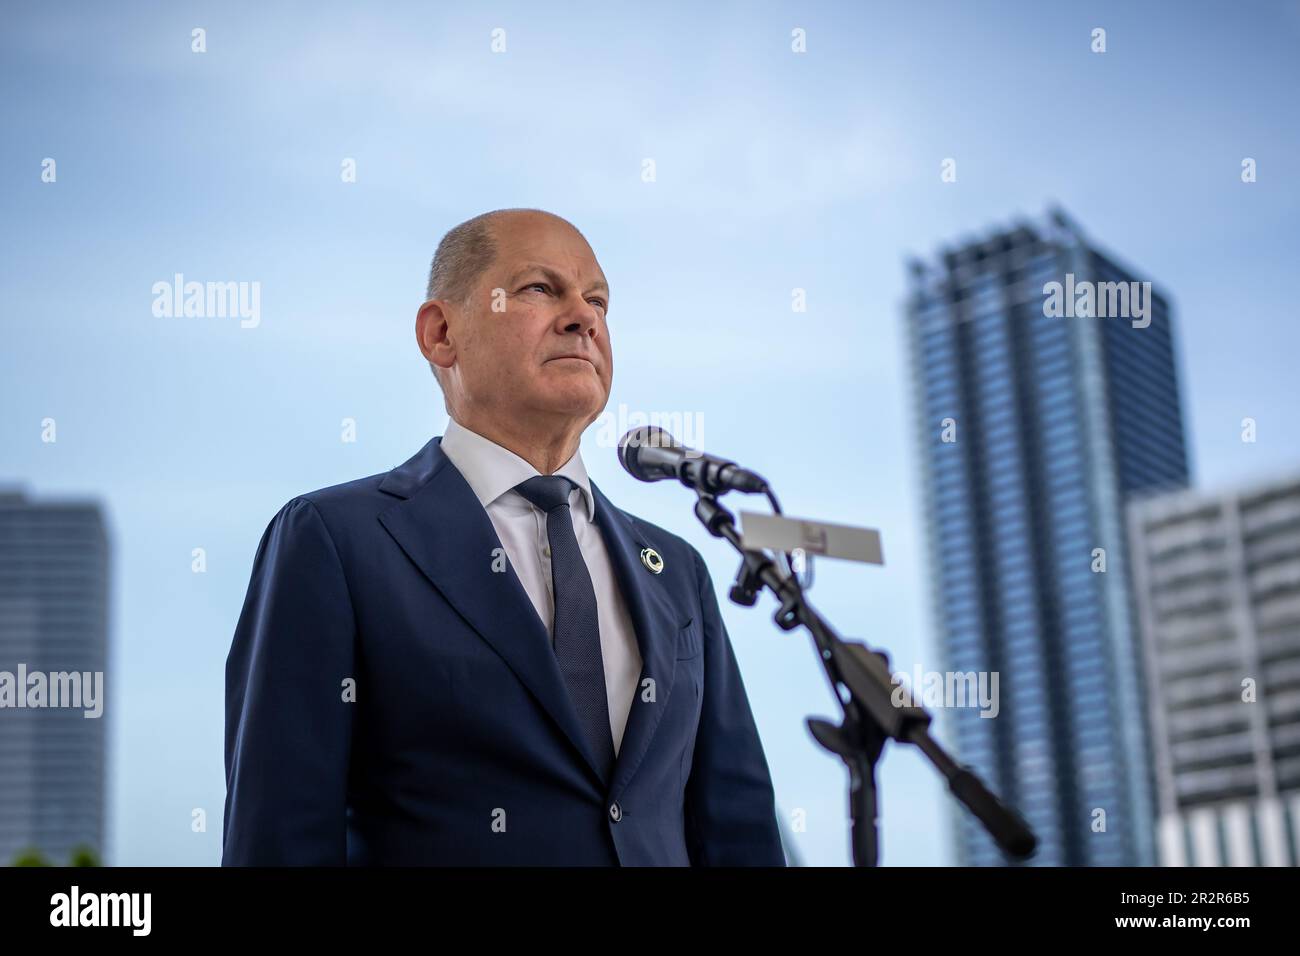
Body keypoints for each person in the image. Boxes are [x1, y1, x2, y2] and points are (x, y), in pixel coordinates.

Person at [222, 208, 785, 865]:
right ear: (441, 334)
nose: (585, 317)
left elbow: (738, 830)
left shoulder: (676, 570)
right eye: (540, 290)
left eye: (598, 299)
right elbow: (280, 836)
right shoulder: (335, 541)